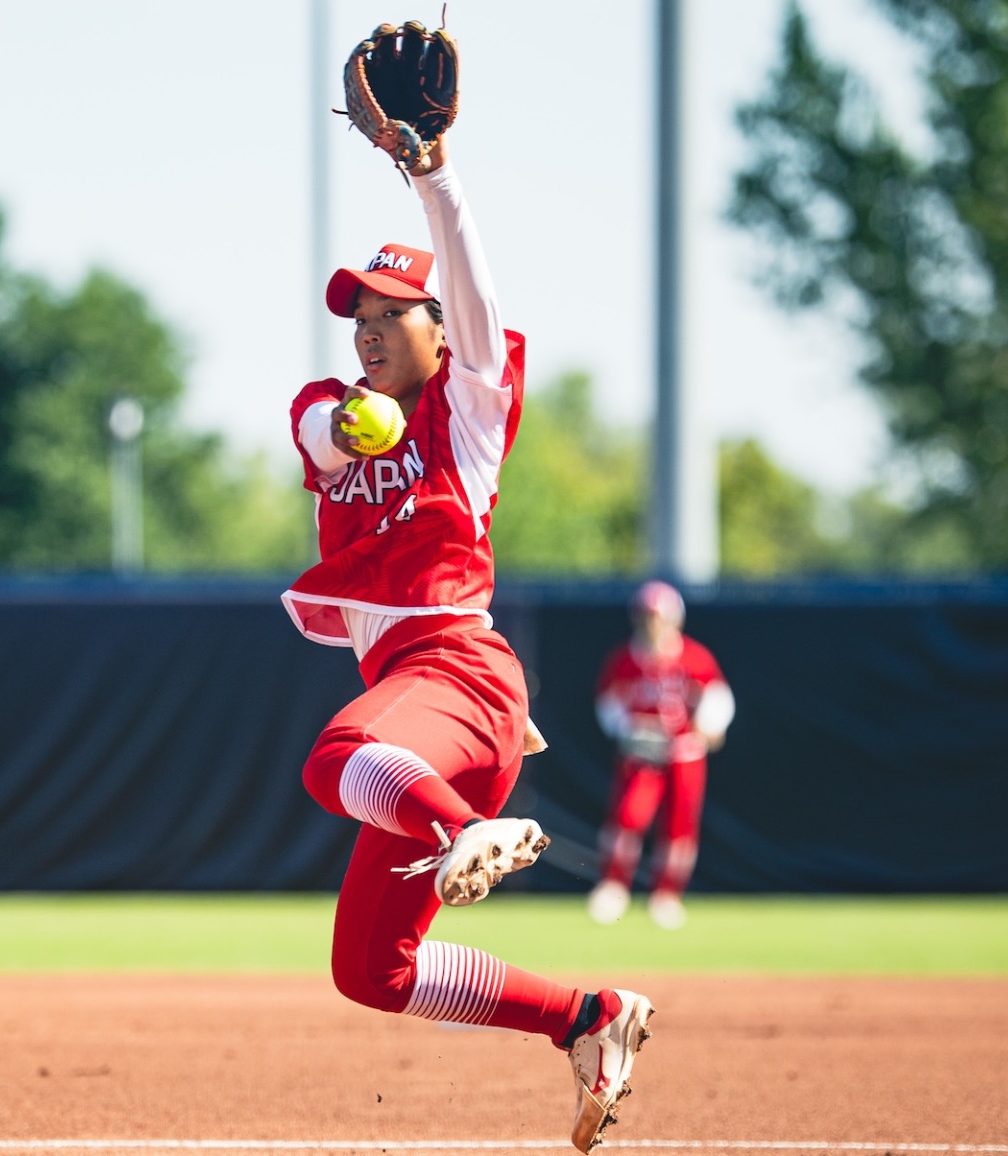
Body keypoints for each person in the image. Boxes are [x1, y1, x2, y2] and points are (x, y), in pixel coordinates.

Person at [282, 128, 653, 1154]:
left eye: (391, 312)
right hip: (423, 725)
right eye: (358, 314)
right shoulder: (336, 407)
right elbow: (316, 432)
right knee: (372, 973)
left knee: (333, 757)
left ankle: (460, 834)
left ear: (439, 332)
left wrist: (436, 176)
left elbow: (481, 316)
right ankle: (587, 1017)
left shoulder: (469, 415)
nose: (367, 327)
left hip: (459, 676)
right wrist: (350, 418)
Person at [587, 580, 736, 930]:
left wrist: (709, 725)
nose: (653, 625)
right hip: (643, 753)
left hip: (684, 752)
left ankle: (667, 894)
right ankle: (613, 886)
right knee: (628, 818)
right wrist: (629, 731)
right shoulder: (626, 659)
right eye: (648, 617)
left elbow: (717, 697)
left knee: (680, 827)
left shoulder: (695, 657)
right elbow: (610, 704)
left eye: (659, 617)